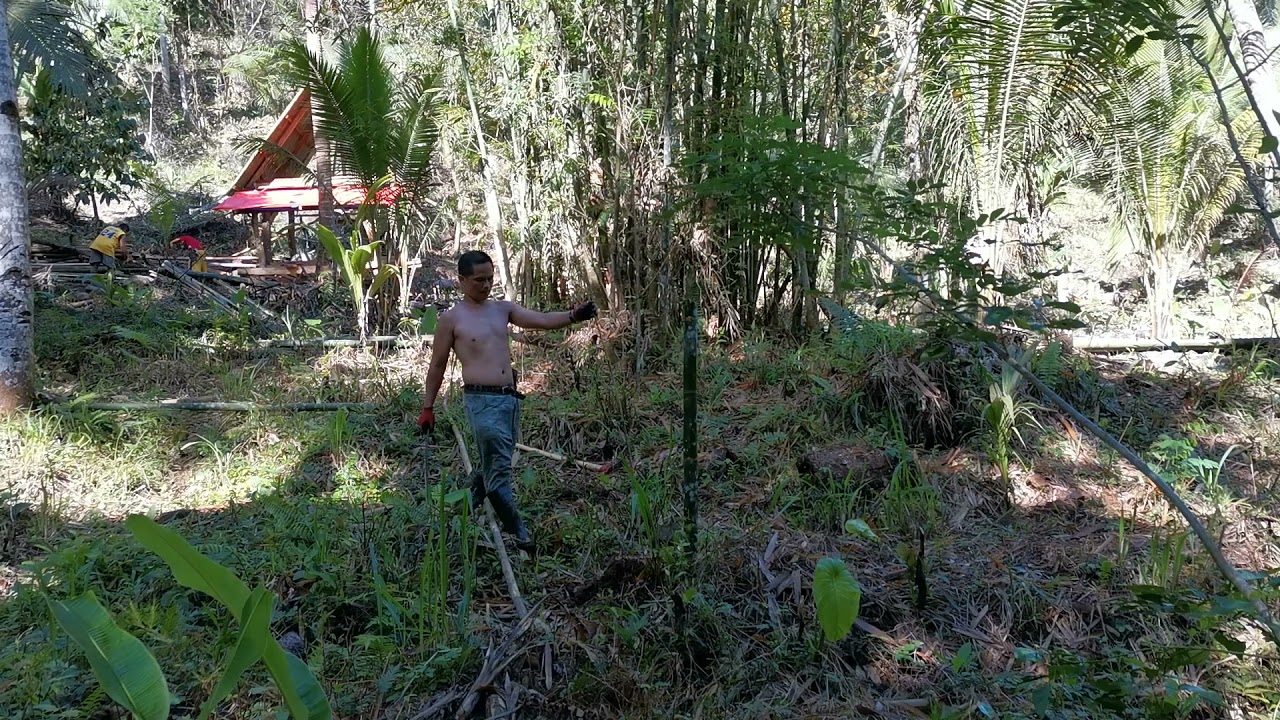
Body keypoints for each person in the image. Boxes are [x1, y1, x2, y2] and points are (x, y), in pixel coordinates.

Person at [418, 250, 597, 553]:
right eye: (478, 280)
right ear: (461, 281)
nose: (486, 285)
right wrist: (428, 407)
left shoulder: (502, 309)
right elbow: (437, 365)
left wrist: (572, 316)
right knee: (499, 478)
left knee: (492, 466)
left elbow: (539, 320)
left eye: (490, 279)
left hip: (509, 403)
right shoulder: (451, 319)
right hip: (481, 403)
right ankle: (521, 537)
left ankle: (456, 518)